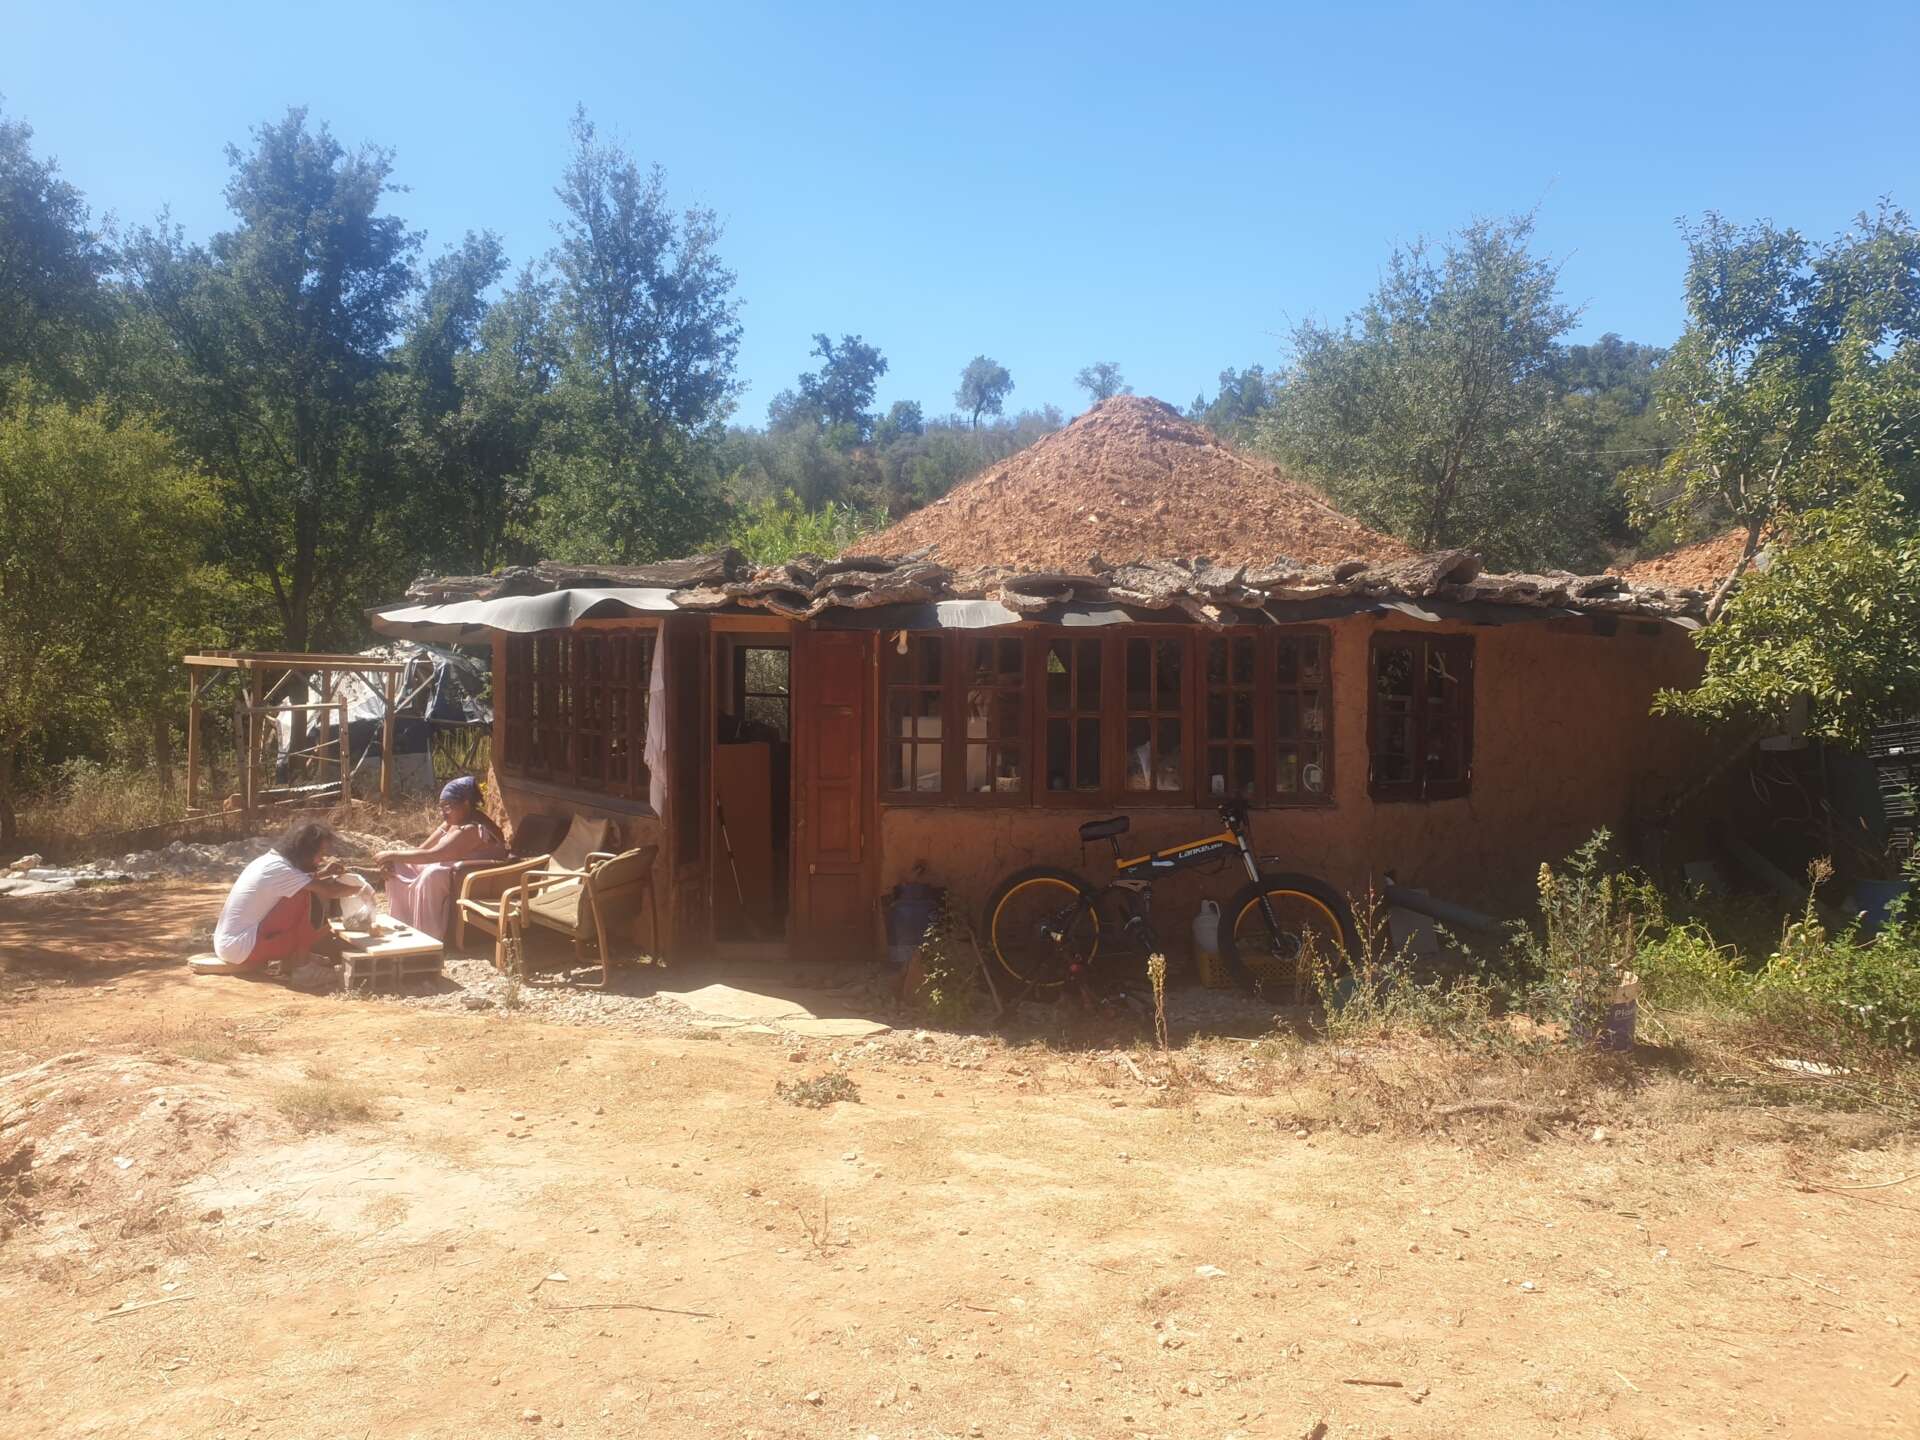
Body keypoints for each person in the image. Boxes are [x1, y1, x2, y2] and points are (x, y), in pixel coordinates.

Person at [212, 821, 358, 972]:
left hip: (233, 944)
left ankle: (299, 957)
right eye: (320, 854)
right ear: (305, 851)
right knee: (304, 894)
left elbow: (301, 879)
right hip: (241, 948)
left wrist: (324, 873)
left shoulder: (271, 862)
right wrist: (361, 889)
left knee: (306, 898)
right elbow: (330, 891)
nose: (321, 859)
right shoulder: (281, 870)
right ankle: (303, 968)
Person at [374, 776, 508, 939]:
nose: (443, 813)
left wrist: (388, 854)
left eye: (447, 807)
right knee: (397, 866)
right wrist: (391, 861)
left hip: (472, 877)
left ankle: (429, 933)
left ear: (465, 804)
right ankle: (404, 922)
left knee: (432, 873)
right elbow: (422, 849)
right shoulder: (453, 822)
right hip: (454, 871)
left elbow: (433, 855)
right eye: (441, 807)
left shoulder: (473, 829)